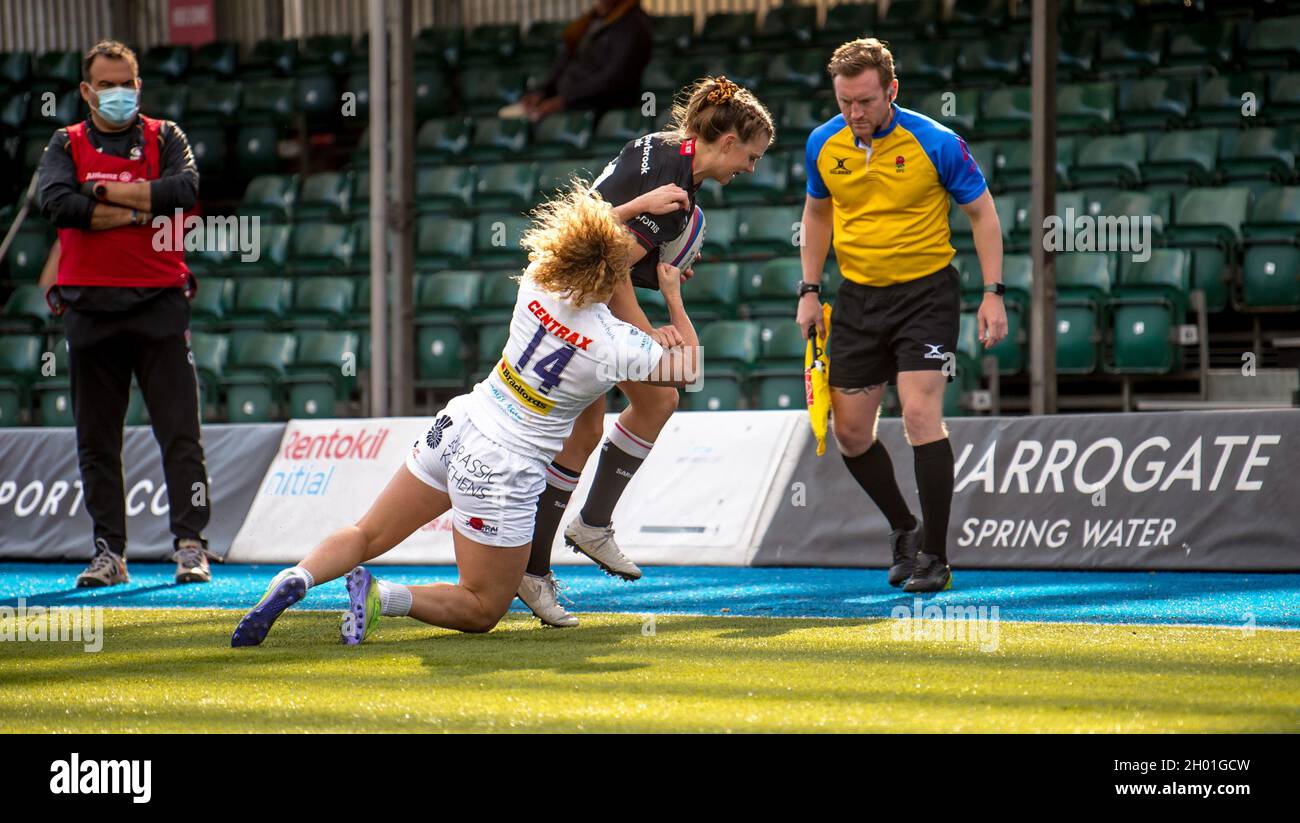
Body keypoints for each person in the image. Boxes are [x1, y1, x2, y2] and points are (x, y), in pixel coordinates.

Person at [230, 184, 701, 647]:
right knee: (483, 607)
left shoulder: (540, 280)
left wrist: (634, 206)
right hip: (503, 466)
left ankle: (297, 576)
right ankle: (383, 595)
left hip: (461, 423)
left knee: (366, 532)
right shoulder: (617, 344)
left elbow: (589, 221)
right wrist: (672, 293)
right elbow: (691, 370)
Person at [518, 76, 774, 628]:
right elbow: (612, 265)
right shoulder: (678, 194)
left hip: (564, 289)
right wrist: (648, 333)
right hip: (581, 301)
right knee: (656, 400)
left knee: (594, 428)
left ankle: (552, 553)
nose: (750, 168)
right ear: (726, 141)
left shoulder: (663, 147)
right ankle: (558, 545)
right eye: (750, 156)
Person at [796, 38, 1007, 593]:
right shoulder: (823, 144)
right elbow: (817, 214)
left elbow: (982, 213)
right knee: (850, 434)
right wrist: (810, 290)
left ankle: (934, 556)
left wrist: (993, 292)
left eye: (865, 101)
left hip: (927, 296)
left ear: (892, 89)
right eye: (845, 102)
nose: (855, 113)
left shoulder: (936, 142)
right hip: (859, 299)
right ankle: (904, 529)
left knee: (918, 416)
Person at [36, 40, 214, 587]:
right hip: (88, 308)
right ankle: (108, 552)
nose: (118, 93)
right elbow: (58, 203)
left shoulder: (167, 136)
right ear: (87, 91)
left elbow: (184, 192)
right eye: (106, 84)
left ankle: (190, 545)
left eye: (127, 83)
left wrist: (104, 192)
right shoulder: (63, 143)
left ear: (138, 85)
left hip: (160, 303)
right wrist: (141, 207)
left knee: (180, 434)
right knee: (96, 441)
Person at [507, 0, 652, 122]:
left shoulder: (634, 23)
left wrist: (564, 100)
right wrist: (543, 92)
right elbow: (564, 63)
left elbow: (613, 78)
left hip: (599, 108)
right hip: (571, 101)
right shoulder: (590, 21)